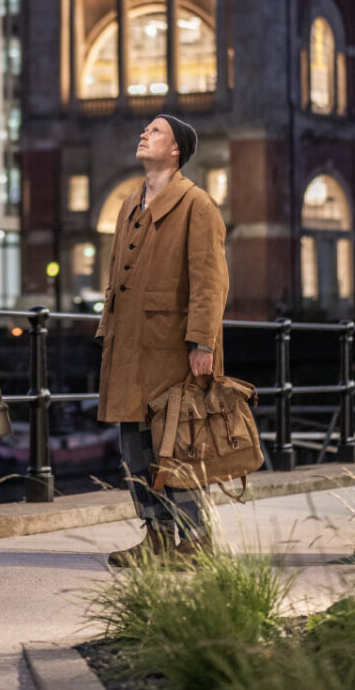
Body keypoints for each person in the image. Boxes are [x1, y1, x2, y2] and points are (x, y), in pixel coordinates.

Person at [96, 114, 228, 565]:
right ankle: (155, 537)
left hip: (173, 348)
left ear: (175, 150)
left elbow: (210, 280)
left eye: (154, 131)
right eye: (145, 130)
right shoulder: (130, 203)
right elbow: (115, 276)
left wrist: (203, 343)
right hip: (129, 347)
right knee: (135, 445)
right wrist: (106, 331)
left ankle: (197, 542)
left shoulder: (198, 205)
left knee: (177, 442)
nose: (143, 135)